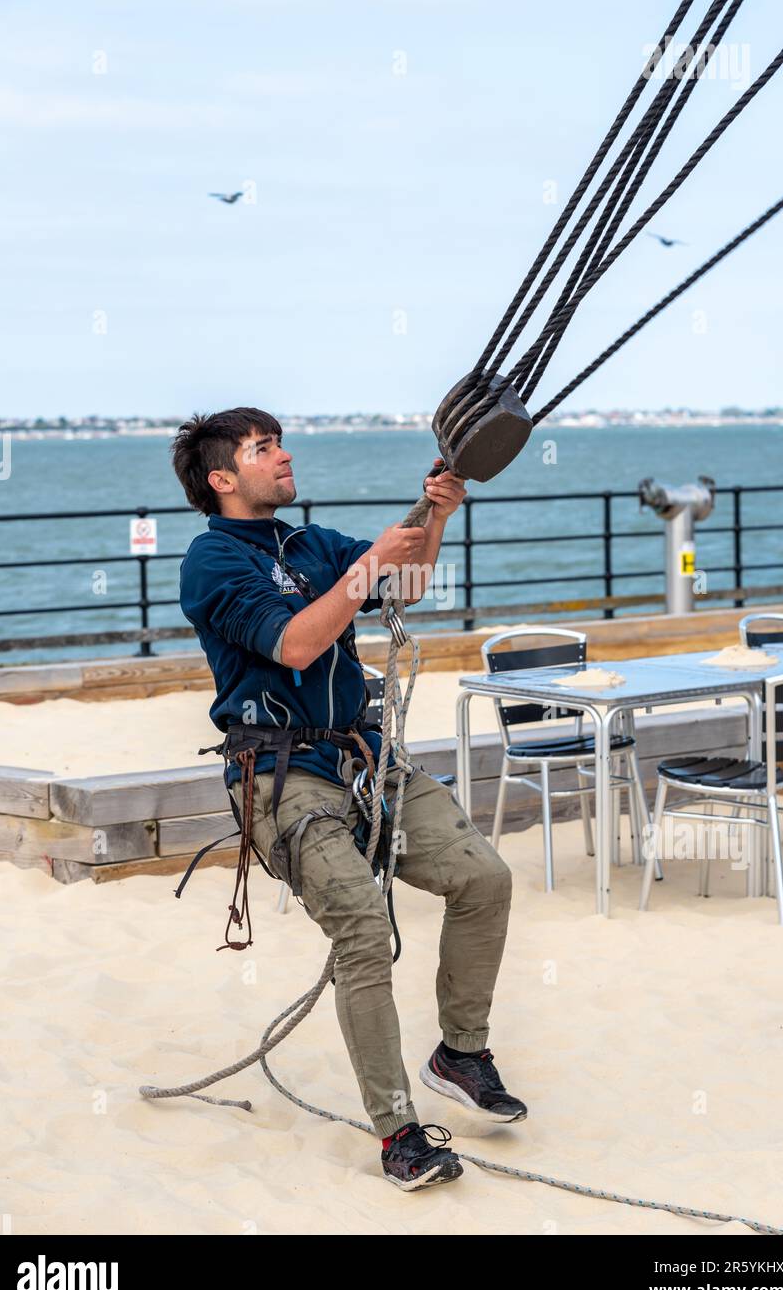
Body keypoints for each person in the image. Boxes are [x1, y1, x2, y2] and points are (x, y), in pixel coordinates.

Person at [173, 406, 526, 1191]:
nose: (284, 455)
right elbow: (295, 643)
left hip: (366, 759)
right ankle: (399, 1132)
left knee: (484, 879)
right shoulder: (212, 562)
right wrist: (366, 569)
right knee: (362, 930)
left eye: (278, 443)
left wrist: (433, 512)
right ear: (223, 478)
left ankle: (458, 1052)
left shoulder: (307, 543)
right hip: (282, 777)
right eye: (265, 449)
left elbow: (406, 581)